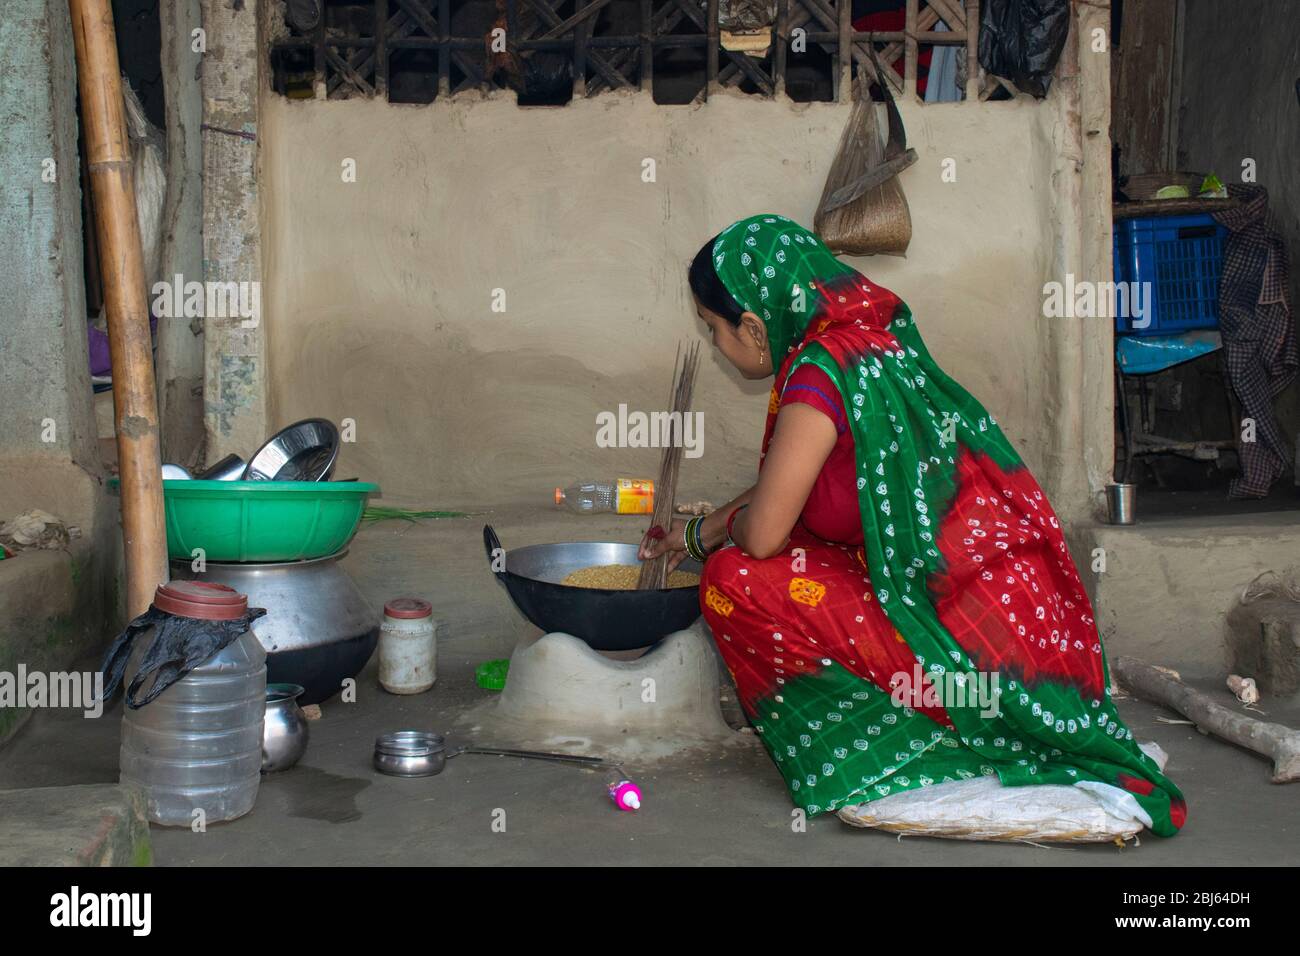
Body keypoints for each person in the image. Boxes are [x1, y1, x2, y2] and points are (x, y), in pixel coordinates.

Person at [639, 214, 1185, 835]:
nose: (714, 345)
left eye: (713, 330)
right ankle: (935, 717)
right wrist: (693, 533)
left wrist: (713, 545)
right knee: (794, 551)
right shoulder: (868, 346)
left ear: (756, 327)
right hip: (1021, 639)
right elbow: (788, 485)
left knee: (735, 578)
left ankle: (911, 748)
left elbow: (763, 531)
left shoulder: (820, 370)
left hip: (972, 653)